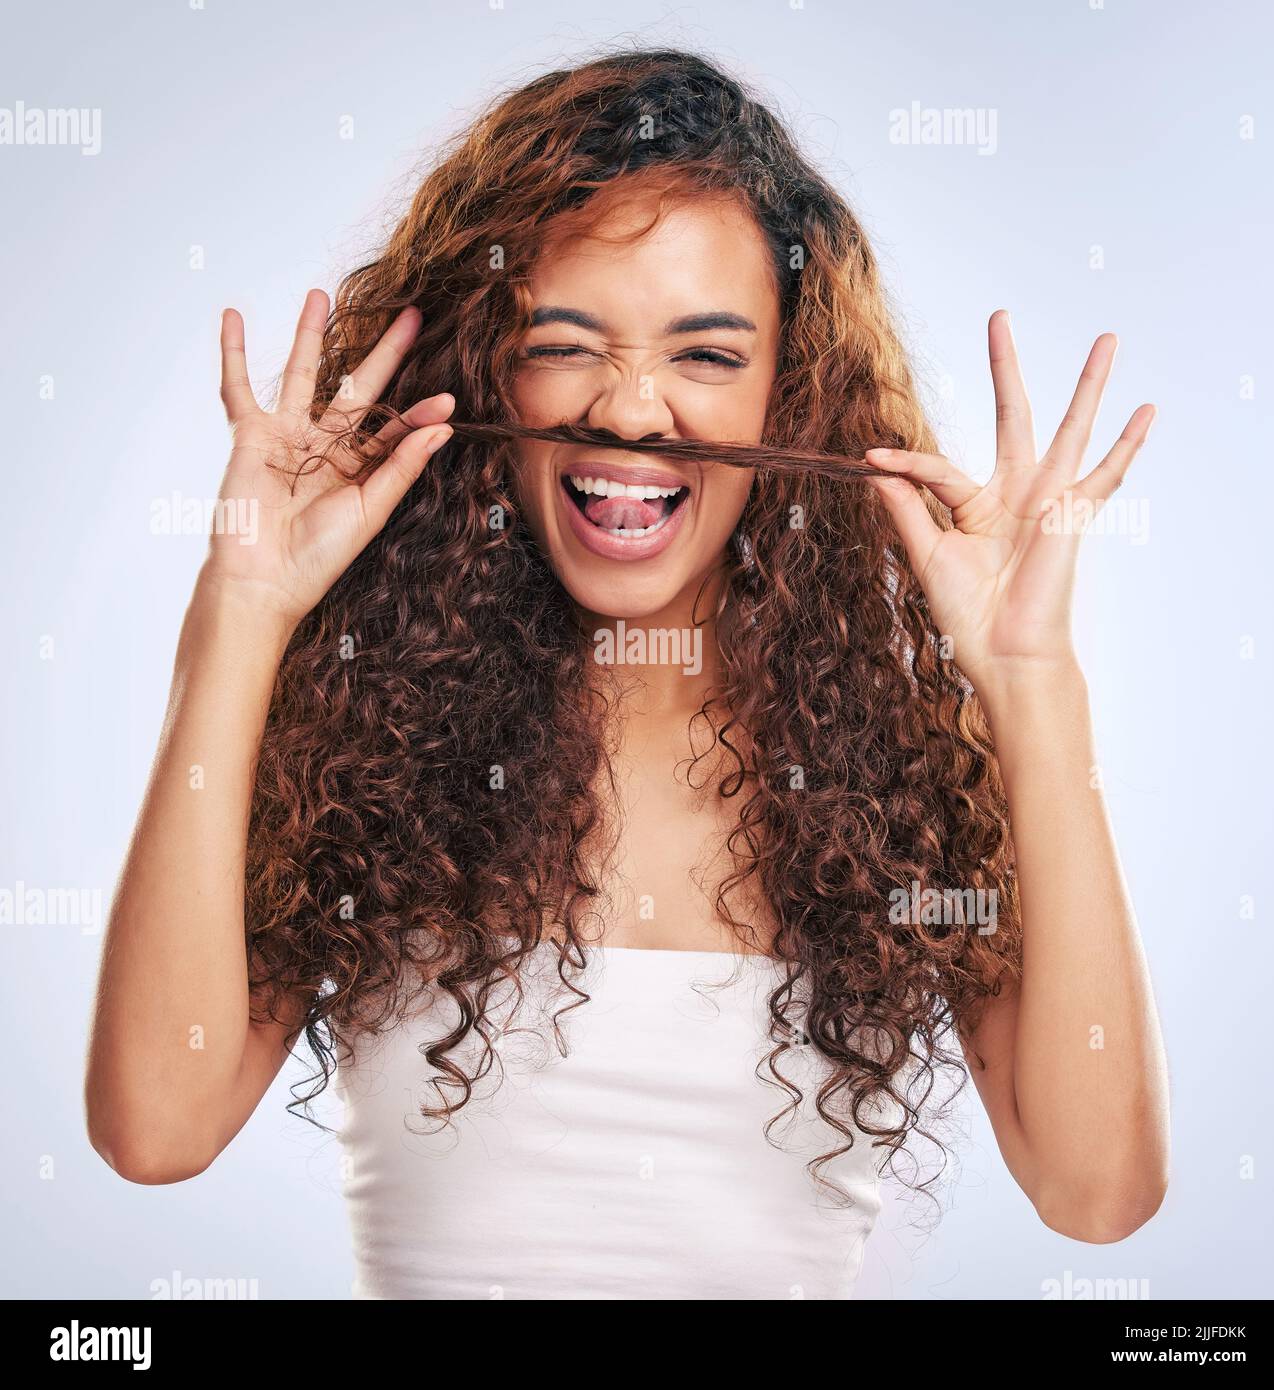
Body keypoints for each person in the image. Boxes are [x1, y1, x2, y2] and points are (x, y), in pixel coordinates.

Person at [85, 47, 1170, 1300]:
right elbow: (154, 1129)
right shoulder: (369, 757)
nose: (633, 411)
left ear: (793, 396)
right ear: (486, 370)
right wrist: (238, 613)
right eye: (567, 343)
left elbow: (1100, 1192)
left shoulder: (893, 791)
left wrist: (1034, 685)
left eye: (706, 355)